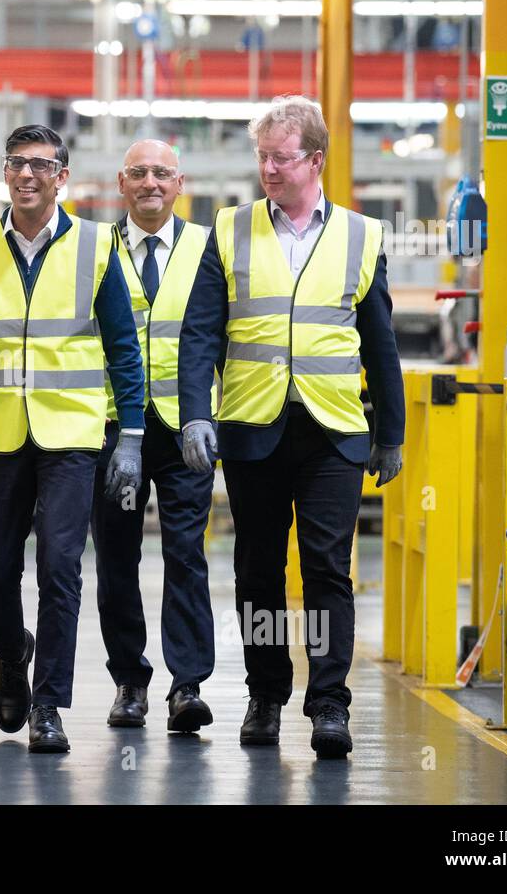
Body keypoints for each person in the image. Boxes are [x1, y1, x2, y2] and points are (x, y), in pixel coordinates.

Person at [177, 95, 404, 758]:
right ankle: (266, 694)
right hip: (253, 425)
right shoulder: (230, 228)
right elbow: (199, 332)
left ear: (316, 159)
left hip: (333, 430)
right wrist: (196, 410)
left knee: (330, 568)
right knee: (257, 570)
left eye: (281, 158)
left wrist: (390, 433)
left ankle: (329, 703)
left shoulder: (362, 236)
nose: (269, 169)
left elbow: (380, 341)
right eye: (262, 157)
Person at [0, 124, 145, 754]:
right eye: (16, 164)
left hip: (71, 434)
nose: (27, 175)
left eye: (40, 165)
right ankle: (11, 652)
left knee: (61, 567)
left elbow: (123, 350)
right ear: (5, 173)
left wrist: (130, 436)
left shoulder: (96, 246)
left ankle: (49, 704)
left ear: (62, 176)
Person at [91, 139, 218, 733]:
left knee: (186, 554)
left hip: (185, 429)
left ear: (180, 182)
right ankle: (129, 682)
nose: (150, 183)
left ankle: (187, 684)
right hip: (116, 431)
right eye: (138, 173)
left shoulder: (206, 246)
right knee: (117, 555)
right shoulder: (94, 248)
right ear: (122, 183)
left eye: (161, 173)